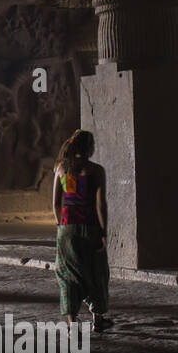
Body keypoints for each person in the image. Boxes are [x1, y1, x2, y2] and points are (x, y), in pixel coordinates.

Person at [52, 129, 112, 333]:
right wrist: (104, 232)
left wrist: (61, 226)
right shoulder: (96, 170)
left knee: (68, 276)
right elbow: (100, 205)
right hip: (90, 228)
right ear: (89, 148)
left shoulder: (61, 168)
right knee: (96, 272)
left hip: (66, 229)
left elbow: (55, 203)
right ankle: (97, 320)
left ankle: (72, 324)